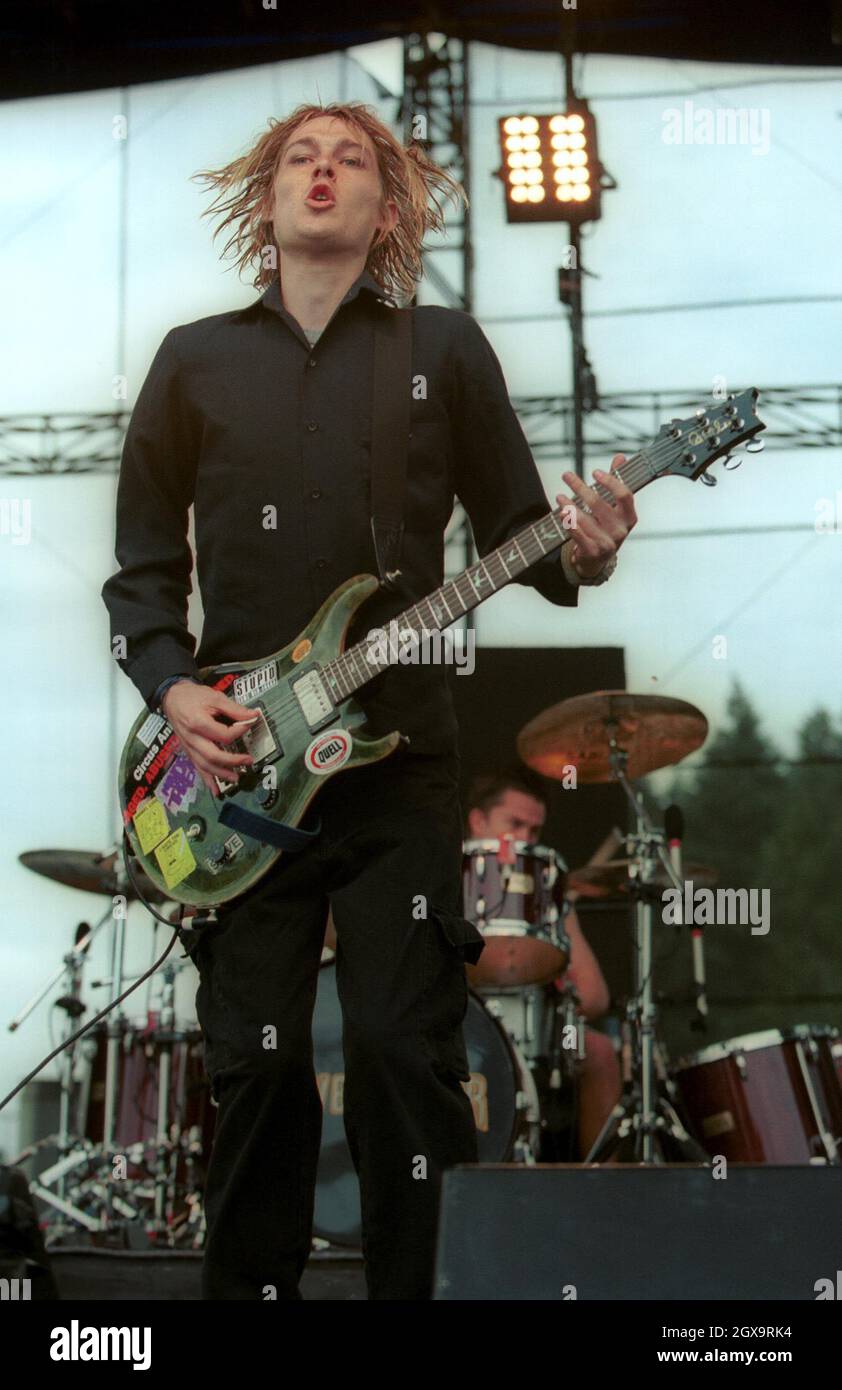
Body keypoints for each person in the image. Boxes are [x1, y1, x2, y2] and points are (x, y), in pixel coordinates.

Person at [101, 100, 637, 1300]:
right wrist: (174, 686)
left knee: (404, 1049)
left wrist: (588, 550)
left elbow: (523, 538)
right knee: (254, 1065)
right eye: (300, 157)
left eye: (349, 158)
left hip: (395, 760)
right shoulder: (194, 359)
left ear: (386, 208)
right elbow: (140, 569)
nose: (322, 172)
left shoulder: (440, 349)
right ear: (269, 199)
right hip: (236, 776)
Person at [465, 769, 622, 1159]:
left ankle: (603, 1194)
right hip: (451, 1021)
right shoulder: (439, 875)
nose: (524, 839)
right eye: (514, 824)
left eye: (534, 832)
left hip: (536, 1032)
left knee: (600, 1051)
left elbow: (594, 997)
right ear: (477, 821)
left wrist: (557, 915)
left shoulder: (545, 890)